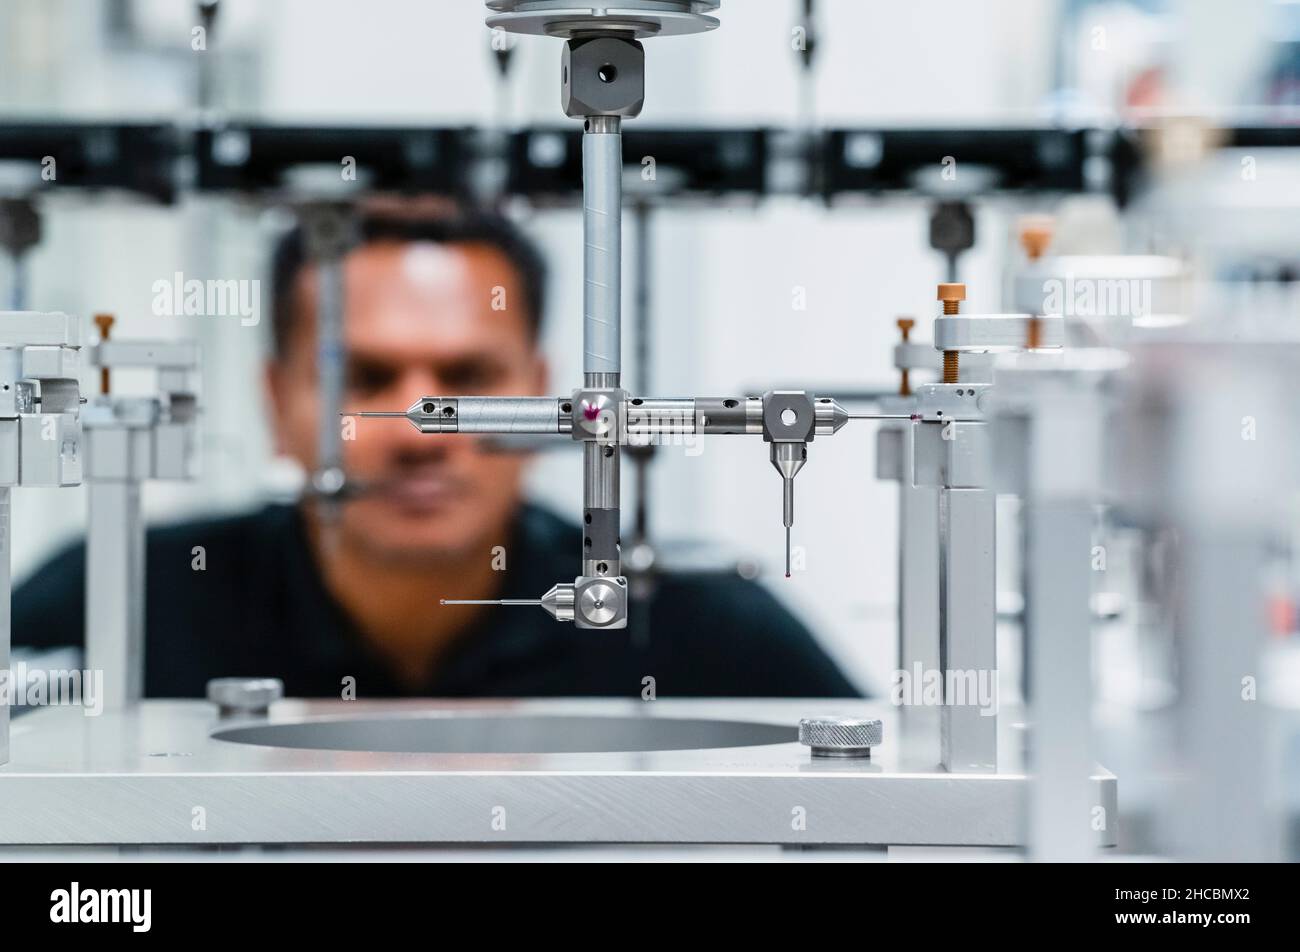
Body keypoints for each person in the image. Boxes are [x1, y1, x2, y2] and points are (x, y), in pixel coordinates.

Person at [13, 209, 857, 700]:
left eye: (470, 378)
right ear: (276, 400)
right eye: (365, 377)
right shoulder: (107, 606)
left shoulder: (713, 640)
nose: (422, 431)